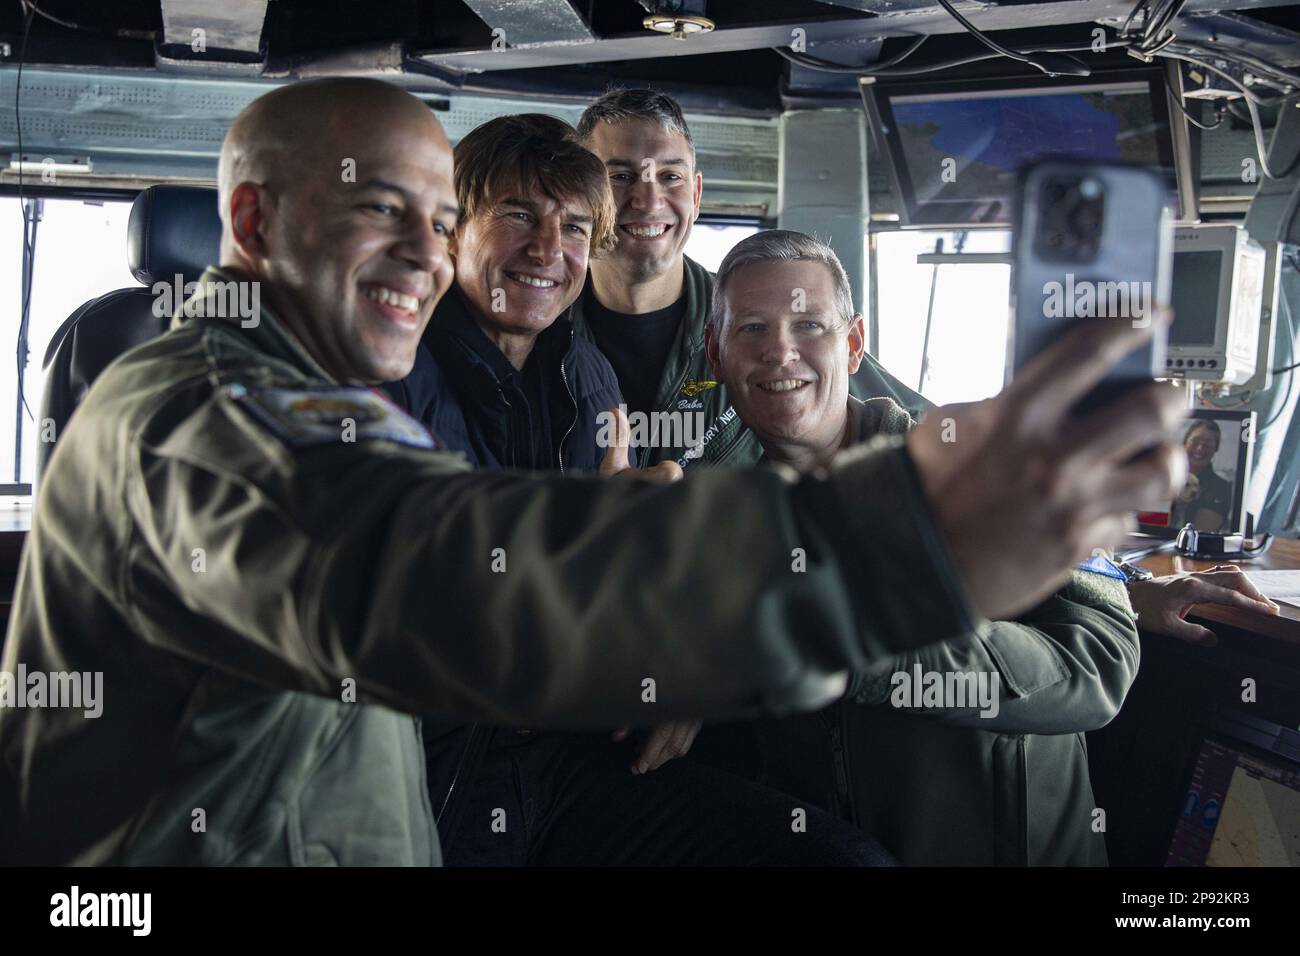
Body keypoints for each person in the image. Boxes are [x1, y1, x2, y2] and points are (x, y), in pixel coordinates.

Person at [0, 79, 1184, 866]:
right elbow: (441, 568)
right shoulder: (219, 411)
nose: (426, 252)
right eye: (380, 211)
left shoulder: (429, 386)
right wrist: (907, 548)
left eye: (433, 215)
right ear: (253, 225)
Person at [701, 230, 1270, 863]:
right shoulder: (712, 528)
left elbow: (1097, 666)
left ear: (854, 343)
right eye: (752, 329)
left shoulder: (986, 472)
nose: (781, 351)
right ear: (715, 352)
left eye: (809, 324)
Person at [571, 87, 926, 470]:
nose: (649, 199)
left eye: (670, 176)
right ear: (583, 193)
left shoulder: (750, 314)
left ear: (696, 193)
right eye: (621, 176)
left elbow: (924, 434)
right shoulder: (540, 333)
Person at [1171, 419, 1233, 532]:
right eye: (1195, 441)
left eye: (1208, 444)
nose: (1200, 448)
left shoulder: (1220, 487)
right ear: (1185, 443)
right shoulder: (1166, 476)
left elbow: (1200, 533)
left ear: (1215, 449)